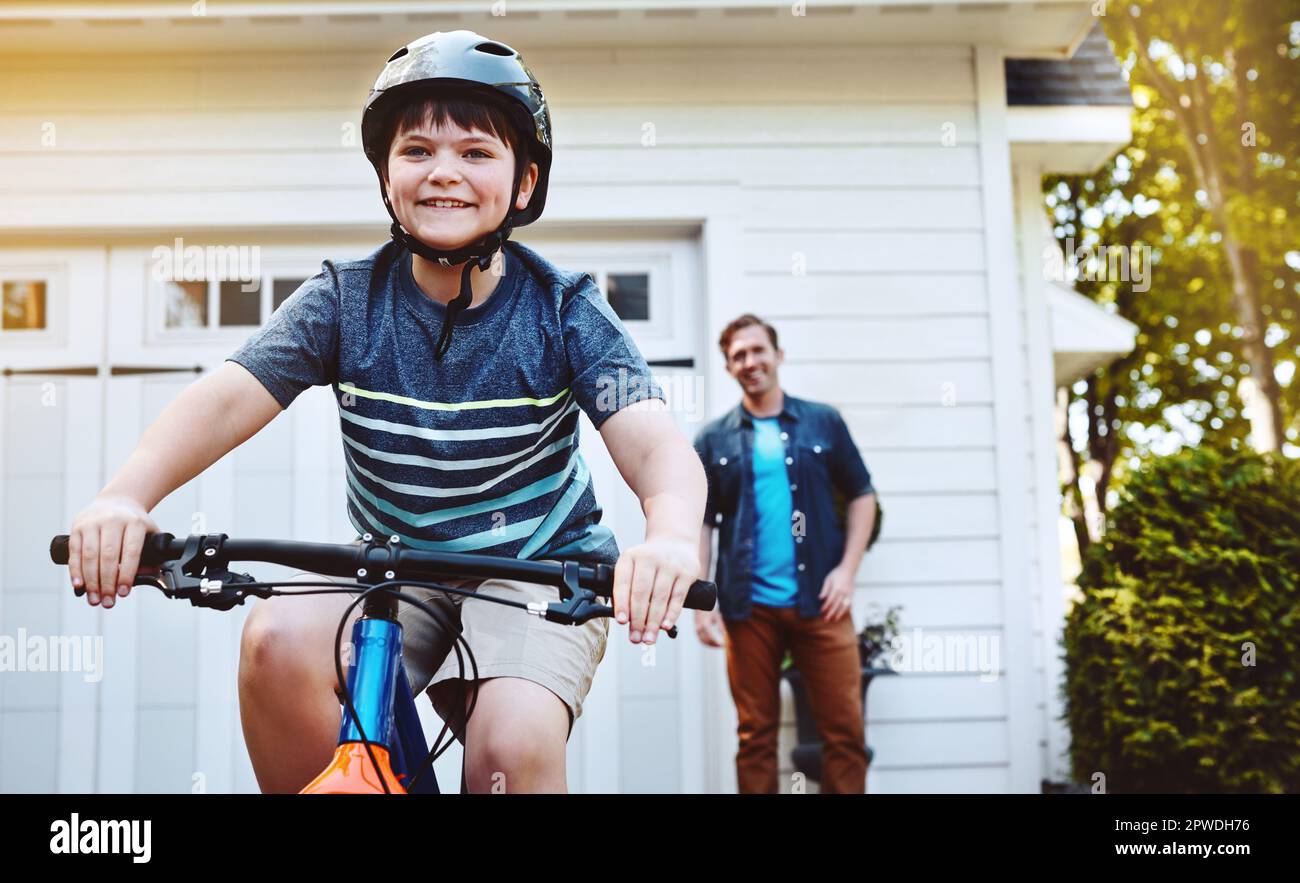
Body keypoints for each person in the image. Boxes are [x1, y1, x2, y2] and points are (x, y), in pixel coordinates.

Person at [62, 29, 705, 794]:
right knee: (275, 645)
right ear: (385, 176)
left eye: (476, 152)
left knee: (510, 745)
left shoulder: (564, 310)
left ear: (525, 182)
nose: (444, 173)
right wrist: (125, 495)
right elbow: (226, 396)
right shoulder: (346, 301)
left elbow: (657, 448)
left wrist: (667, 537)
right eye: (417, 151)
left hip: (535, 568)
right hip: (400, 565)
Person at [693, 314, 878, 794]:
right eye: (738, 356)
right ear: (729, 367)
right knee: (755, 736)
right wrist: (700, 600)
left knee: (845, 733)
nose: (750, 362)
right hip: (747, 607)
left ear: (778, 356)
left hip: (822, 601)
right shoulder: (714, 440)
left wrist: (846, 573)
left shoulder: (823, 422)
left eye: (757, 351)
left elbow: (862, 495)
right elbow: (703, 522)